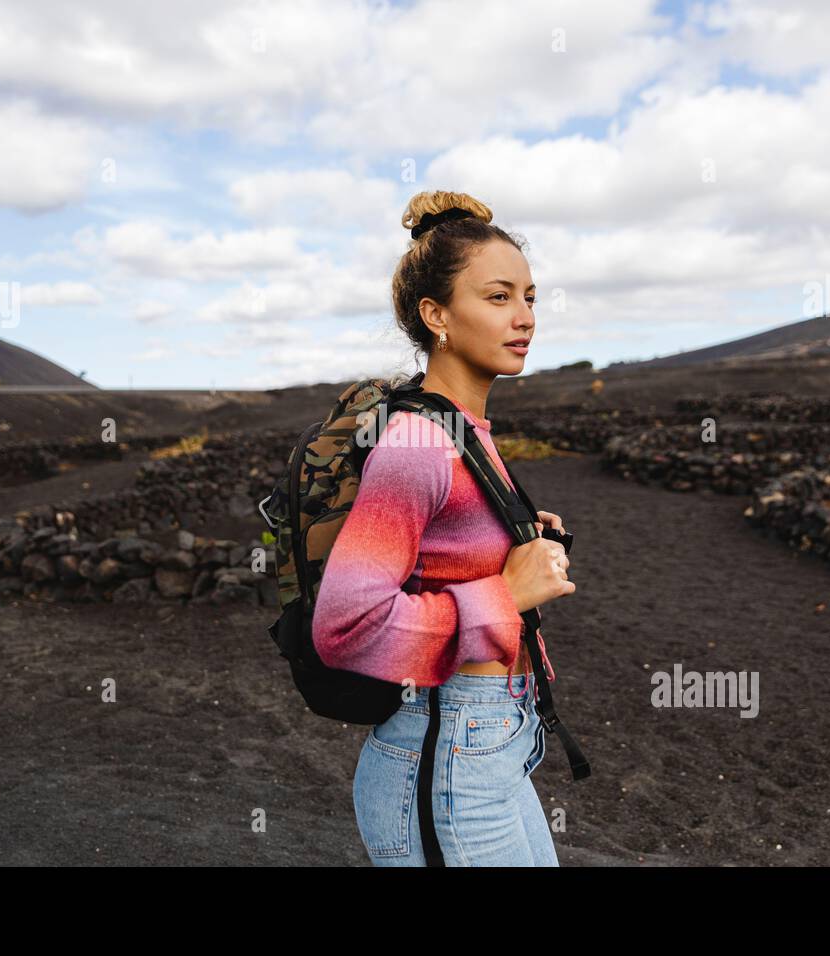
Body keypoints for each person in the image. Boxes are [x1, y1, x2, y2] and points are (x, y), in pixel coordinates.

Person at [311, 189, 576, 866]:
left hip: (490, 743)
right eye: (498, 297)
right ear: (437, 315)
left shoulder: (466, 431)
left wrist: (512, 534)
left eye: (530, 297)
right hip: (445, 757)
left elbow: (441, 546)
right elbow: (344, 623)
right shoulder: (417, 444)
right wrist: (506, 594)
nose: (524, 317)